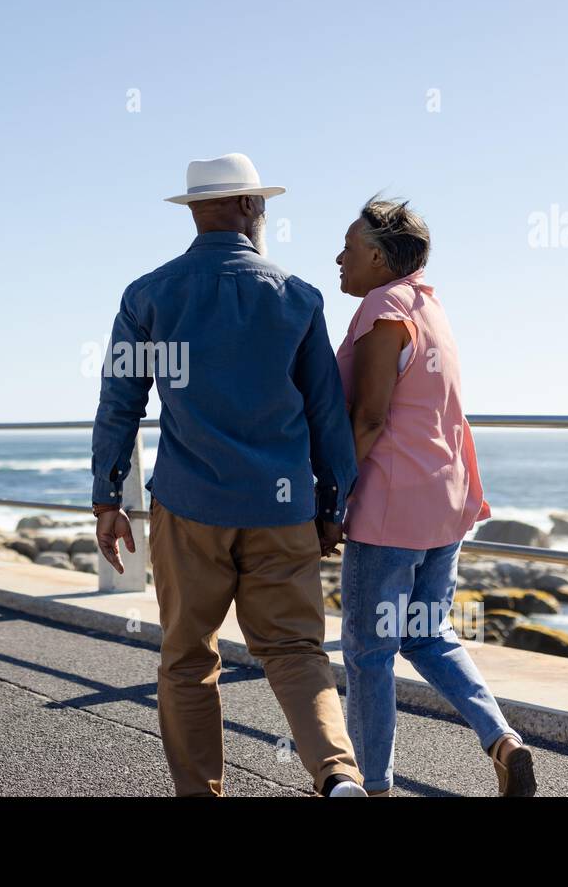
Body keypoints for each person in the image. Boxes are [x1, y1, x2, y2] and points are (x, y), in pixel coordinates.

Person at [90, 153, 365, 797]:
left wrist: (107, 498)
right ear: (250, 206)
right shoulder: (298, 297)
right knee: (296, 653)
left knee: (188, 661)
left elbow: (119, 402)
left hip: (190, 507)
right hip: (283, 507)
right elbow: (327, 414)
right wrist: (333, 506)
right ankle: (338, 775)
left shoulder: (147, 295)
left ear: (194, 211)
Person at [333, 195, 536, 797]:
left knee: (368, 652)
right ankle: (501, 738)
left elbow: (367, 419)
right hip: (444, 504)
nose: (338, 258)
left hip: (389, 510)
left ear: (376, 255)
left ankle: (372, 786)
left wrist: (332, 503)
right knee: (426, 632)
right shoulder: (430, 306)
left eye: (348, 247)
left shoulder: (384, 307)